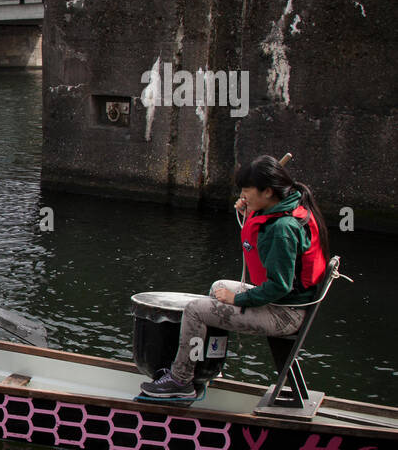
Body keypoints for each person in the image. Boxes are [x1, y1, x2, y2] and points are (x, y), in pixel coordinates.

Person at [140, 155, 331, 398]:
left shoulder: (283, 230)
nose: (242, 195)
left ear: (268, 192)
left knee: (196, 310)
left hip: (284, 314)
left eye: (246, 190)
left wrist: (237, 299)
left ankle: (180, 381)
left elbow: (279, 286)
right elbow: (265, 223)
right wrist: (250, 209)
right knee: (218, 286)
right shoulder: (289, 204)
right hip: (287, 304)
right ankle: (207, 366)